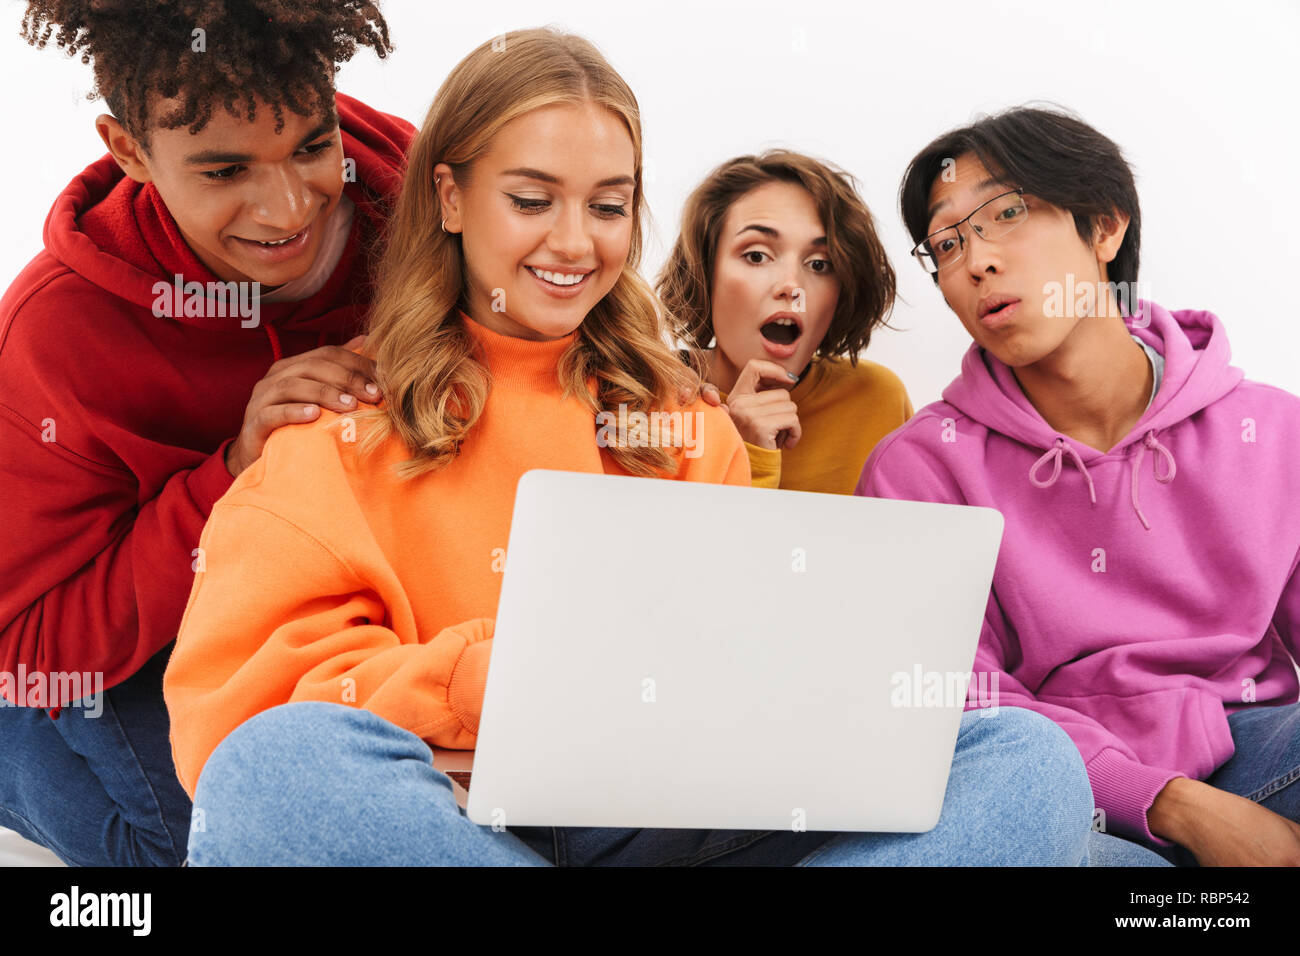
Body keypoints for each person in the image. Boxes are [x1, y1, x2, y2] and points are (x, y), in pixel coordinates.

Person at [165, 28, 1098, 867]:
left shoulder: (685, 424)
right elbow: (234, 712)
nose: (574, 243)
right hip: (454, 817)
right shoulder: (340, 421)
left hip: (670, 817)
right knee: (274, 773)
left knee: (1023, 763)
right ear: (448, 196)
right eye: (532, 199)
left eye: (607, 207)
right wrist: (501, 677)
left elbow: (734, 679)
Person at [0, 0, 413, 866]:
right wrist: (234, 472)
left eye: (311, 144)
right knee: (229, 844)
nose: (289, 209)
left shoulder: (425, 205)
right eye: (224, 172)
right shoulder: (57, 336)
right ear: (130, 152)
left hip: (360, 612)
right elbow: (28, 648)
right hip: (146, 644)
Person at [857, 105, 1300, 866]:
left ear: (1105, 225)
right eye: (948, 245)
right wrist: (1170, 804)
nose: (976, 262)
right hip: (1062, 788)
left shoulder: (1273, 430)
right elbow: (960, 705)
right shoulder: (918, 468)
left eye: (1006, 215)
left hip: (1257, 748)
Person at [659, 151, 911, 494]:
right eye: (757, 256)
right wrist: (745, 454)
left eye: (820, 264)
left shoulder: (875, 402)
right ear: (705, 271)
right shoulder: (641, 396)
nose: (792, 287)